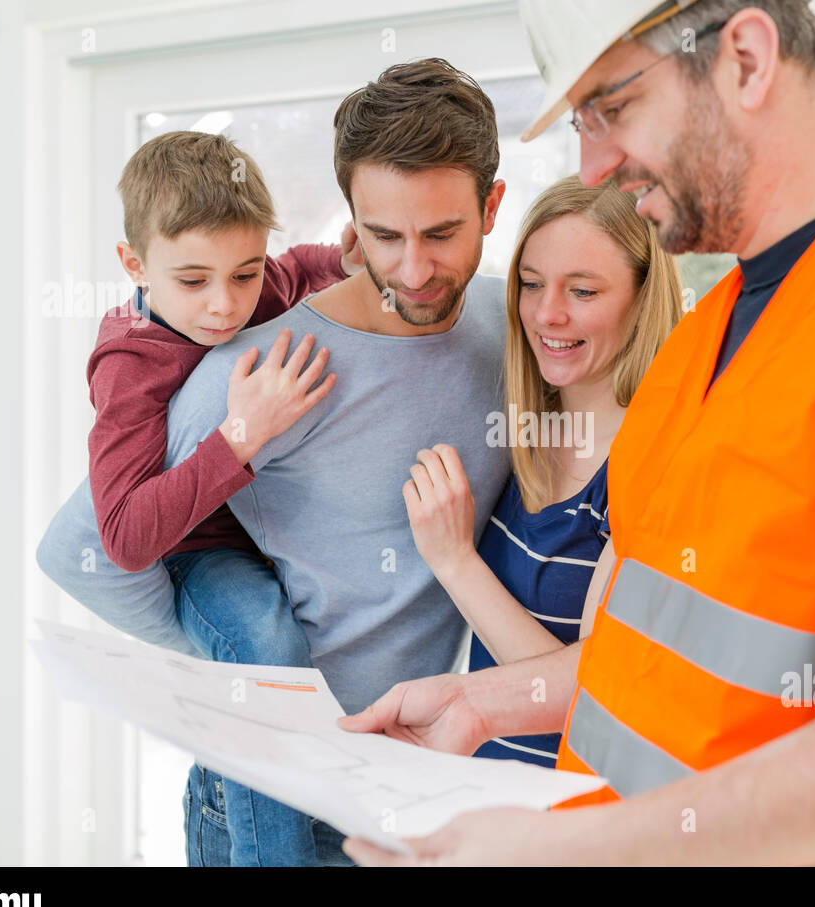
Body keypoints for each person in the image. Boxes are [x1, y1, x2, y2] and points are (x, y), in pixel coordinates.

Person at [338, 0, 815, 866]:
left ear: (746, 59)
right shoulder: (703, 340)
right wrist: (479, 705)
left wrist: (563, 850)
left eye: (612, 108)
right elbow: (647, 661)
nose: (594, 163)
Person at [37, 58, 515, 865]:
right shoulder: (253, 373)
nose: (413, 269)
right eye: (384, 236)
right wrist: (246, 674)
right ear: (353, 219)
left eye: (441, 234)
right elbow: (85, 552)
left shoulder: (519, 328)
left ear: (492, 206)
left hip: (430, 797)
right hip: (273, 796)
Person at [38, 129, 360, 866]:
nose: (225, 306)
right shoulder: (129, 363)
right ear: (134, 266)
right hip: (203, 557)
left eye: (242, 274)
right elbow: (120, 536)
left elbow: (295, 268)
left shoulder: (252, 286)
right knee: (265, 641)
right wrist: (239, 437)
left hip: (279, 537)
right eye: (193, 281)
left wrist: (344, 259)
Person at [401, 175, 680, 767]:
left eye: (582, 291)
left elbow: (585, 688)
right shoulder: (522, 433)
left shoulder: (655, 466)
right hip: (483, 808)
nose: (547, 314)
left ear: (642, 295)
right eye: (531, 285)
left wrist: (455, 561)